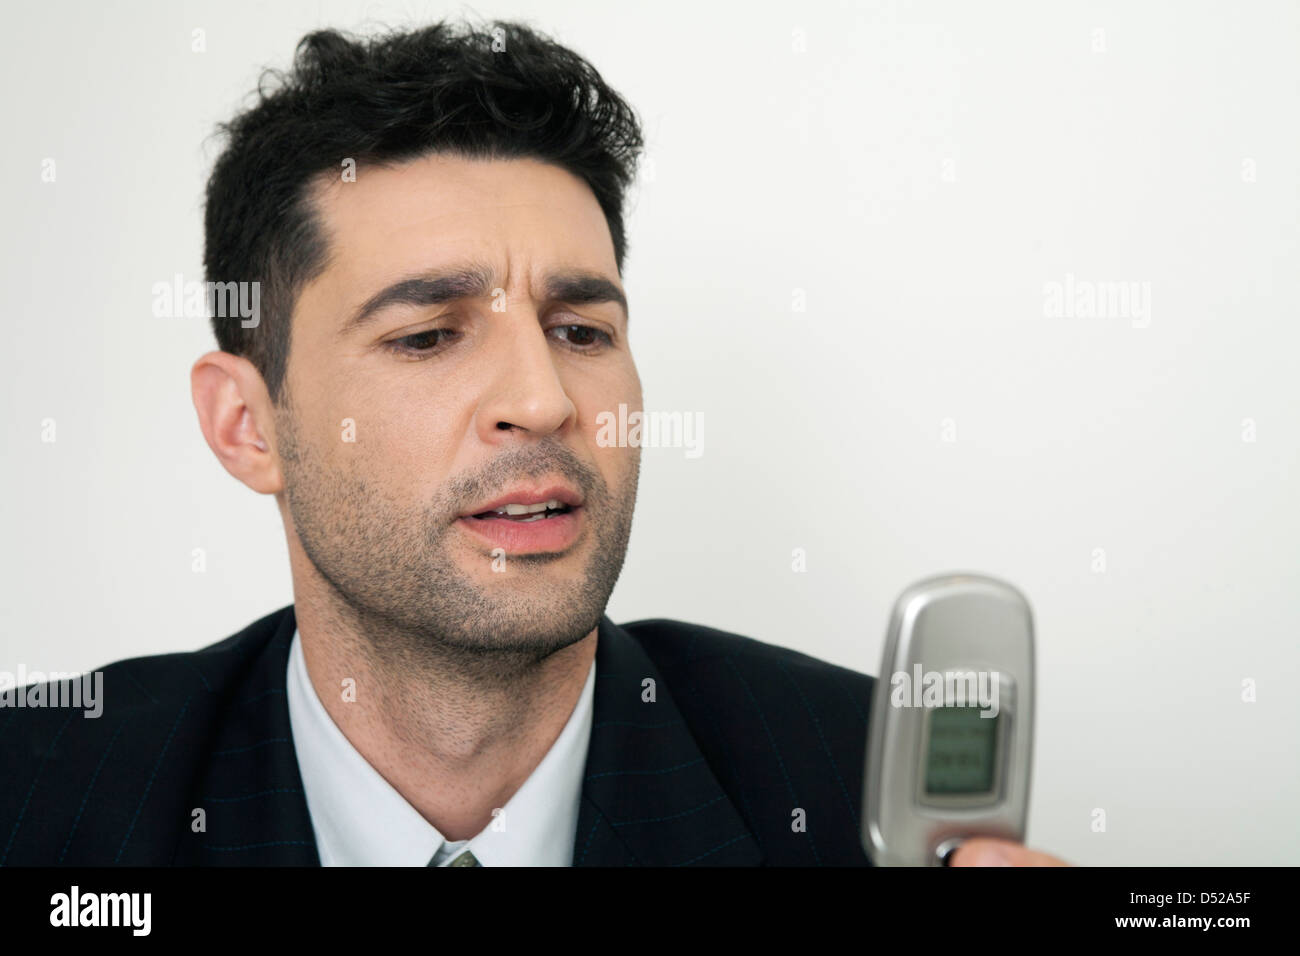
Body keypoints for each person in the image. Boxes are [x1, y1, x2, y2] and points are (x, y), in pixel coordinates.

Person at [0, 18, 1065, 867]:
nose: (546, 399)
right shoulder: (37, 792)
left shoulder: (852, 784)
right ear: (247, 425)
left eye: (581, 330)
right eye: (427, 335)